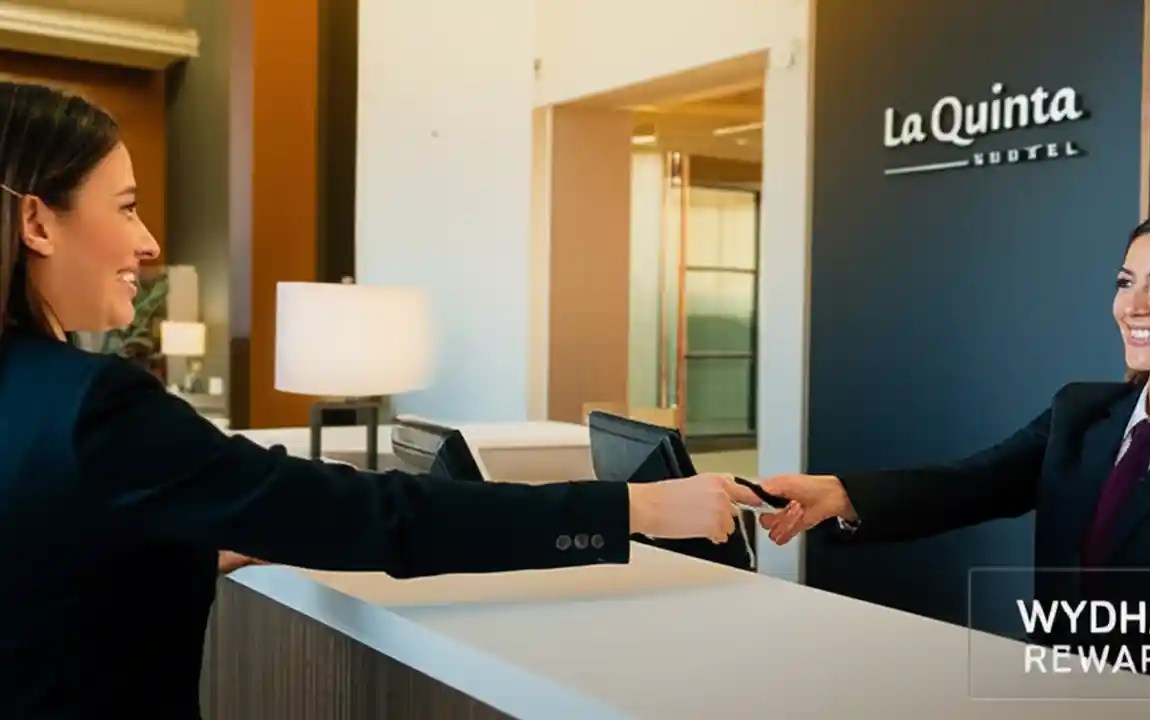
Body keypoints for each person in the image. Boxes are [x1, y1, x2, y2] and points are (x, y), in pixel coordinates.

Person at [0, 81, 756, 718]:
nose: (149, 243)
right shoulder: (92, 405)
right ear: (36, 221)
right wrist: (641, 509)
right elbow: (387, 519)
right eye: (127, 207)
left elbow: (48, 565)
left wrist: (194, 547)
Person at [747, 204, 1150, 703]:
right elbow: (973, 484)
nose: (1133, 306)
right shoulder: (1082, 412)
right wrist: (839, 494)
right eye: (1125, 282)